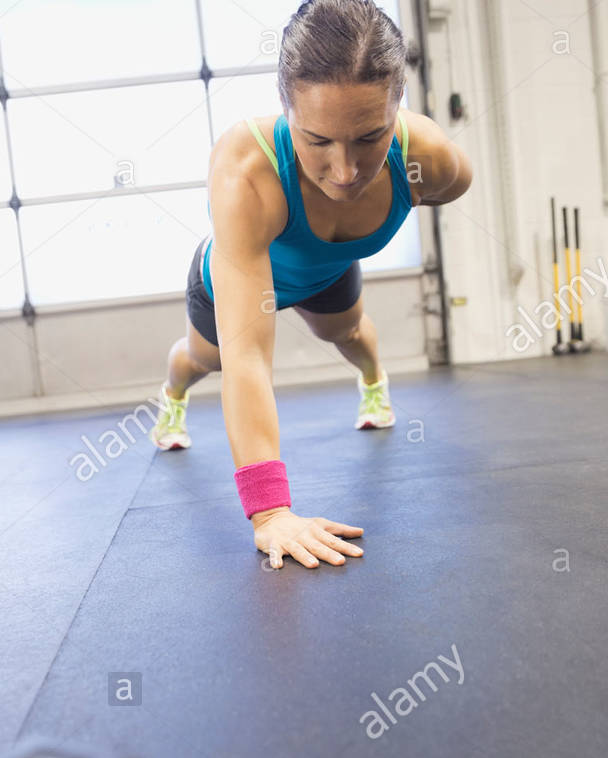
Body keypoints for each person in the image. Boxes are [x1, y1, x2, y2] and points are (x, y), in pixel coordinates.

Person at [149, 0, 472, 570]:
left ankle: (374, 383)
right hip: (238, 280)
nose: (344, 171)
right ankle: (172, 396)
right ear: (285, 107)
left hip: (324, 268)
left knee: (348, 332)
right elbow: (249, 351)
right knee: (209, 358)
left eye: (369, 137)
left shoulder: (430, 160)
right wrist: (270, 513)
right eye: (317, 140)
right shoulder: (246, 170)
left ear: (399, 105)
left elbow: (453, 186)